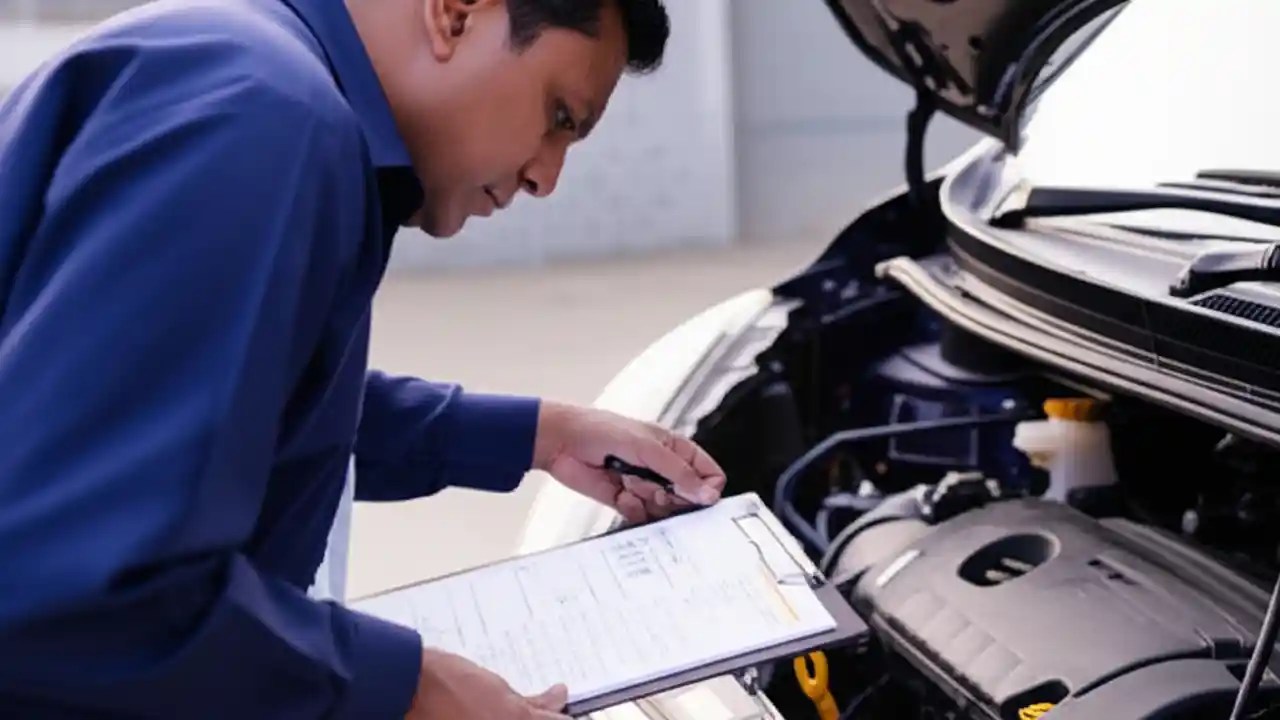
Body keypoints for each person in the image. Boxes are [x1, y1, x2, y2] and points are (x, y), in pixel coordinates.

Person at [0, 0, 726, 717]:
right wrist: (406, 688)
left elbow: (218, 411)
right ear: (455, 14)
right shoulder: (263, 122)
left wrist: (540, 436)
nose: (546, 177)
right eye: (559, 116)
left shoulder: (250, 78)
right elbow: (79, 581)